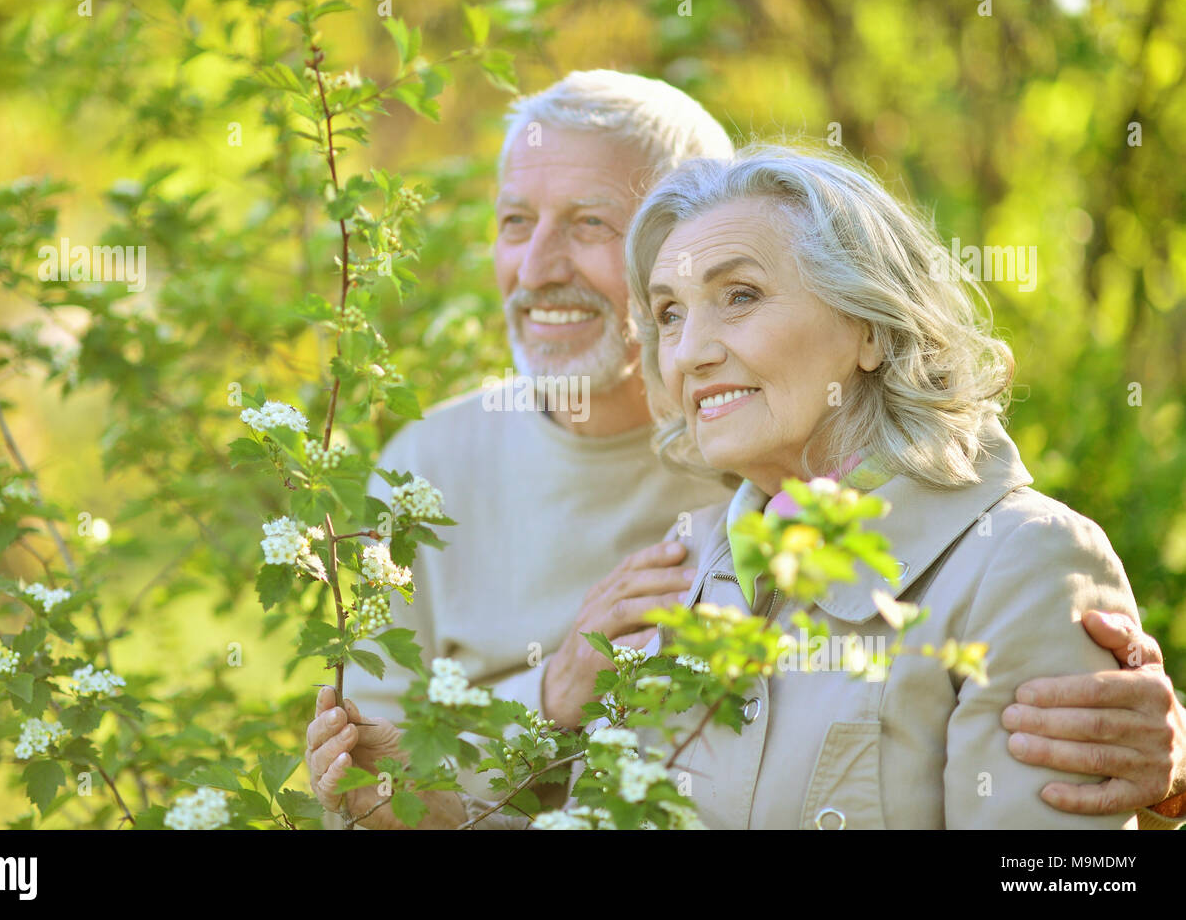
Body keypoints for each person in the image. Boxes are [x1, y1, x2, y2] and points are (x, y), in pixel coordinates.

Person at [311, 73, 1186, 827]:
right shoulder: (689, 562)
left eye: (739, 294)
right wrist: (414, 793)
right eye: (670, 313)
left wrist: (1172, 781)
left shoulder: (1015, 559)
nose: (690, 349)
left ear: (869, 326)